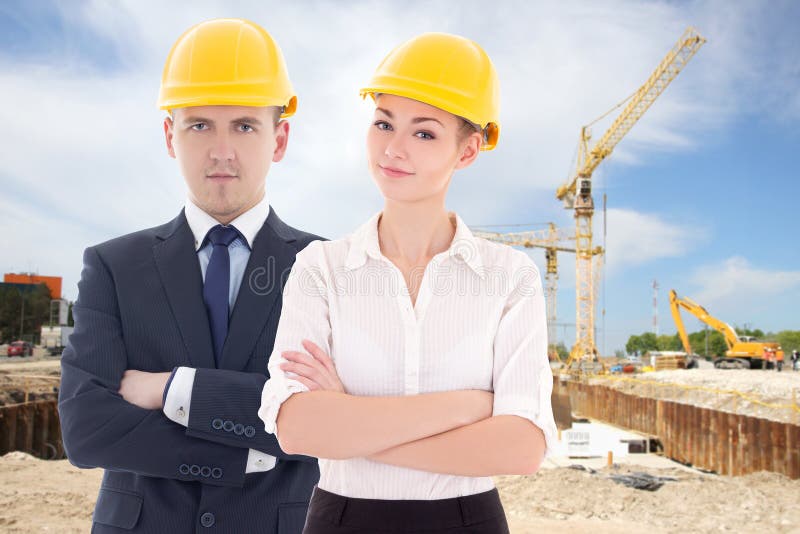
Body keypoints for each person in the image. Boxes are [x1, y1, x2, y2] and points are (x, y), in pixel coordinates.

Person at [258, 33, 557, 533]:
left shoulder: (510, 277)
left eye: (424, 134)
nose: (393, 149)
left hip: (468, 520)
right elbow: (296, 428)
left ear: (467, 151)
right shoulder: (320, 268)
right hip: (342, 518)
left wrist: (351, 424)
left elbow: (522, 446)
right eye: (383, 124)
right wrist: (465, 407)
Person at [58, 19, 323, 533]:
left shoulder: (326, 268)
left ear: (280, 138)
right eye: (199, 125)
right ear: (169, 136)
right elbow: (86, 429)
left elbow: (328, 420)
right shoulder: (113, 266)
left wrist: (173, 390)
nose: (221, 151)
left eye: (244, 126)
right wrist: (244, 452)